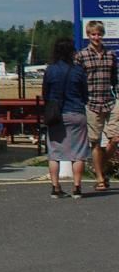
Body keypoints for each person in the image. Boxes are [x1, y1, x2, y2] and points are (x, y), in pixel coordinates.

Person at [42, 36, 90, 198]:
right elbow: (85, 95)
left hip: (56, 114)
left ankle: (55, 188)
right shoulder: (78, 70)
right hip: (76, 112)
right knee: (78, 153)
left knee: (54, 153)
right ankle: (77, 187)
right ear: (72, 51)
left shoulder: (50, 70)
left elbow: (45, 94)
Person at [76, 20, 114, 192]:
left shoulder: (111, 55)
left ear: (103, 34)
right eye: (93, 34)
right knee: (95, 141)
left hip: (110, 100)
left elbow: (115, 78)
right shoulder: (81, 55)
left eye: (99, 34)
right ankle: (100, 177)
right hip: (91, 101)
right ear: (88, 35)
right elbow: (77, 80)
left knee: (115, 139)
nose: (96, 37)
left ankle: (100, 166)